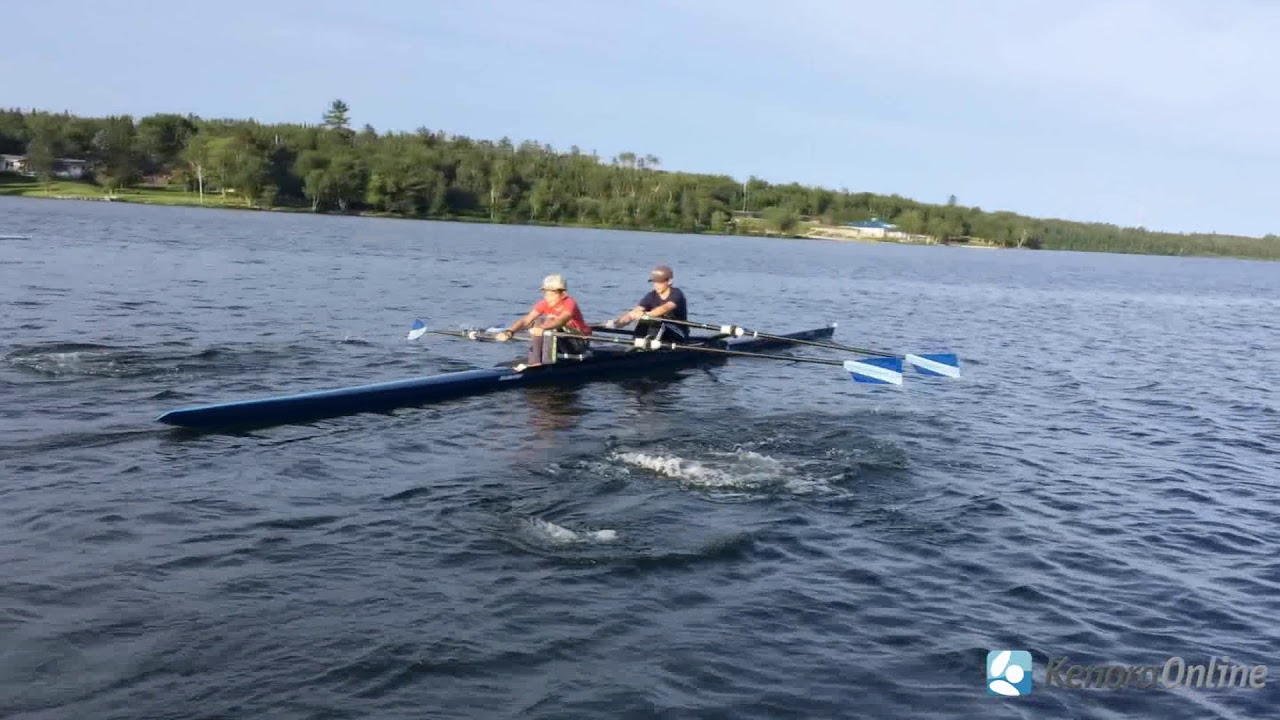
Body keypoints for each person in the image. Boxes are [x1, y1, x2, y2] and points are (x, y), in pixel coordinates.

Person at [494, 274, 592, 366]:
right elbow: (526, 320)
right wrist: (510, 332)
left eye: (552, 294)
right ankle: (535, 361)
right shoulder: (544, 303)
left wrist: (542, 328)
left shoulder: (570, 303)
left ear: (563, 294)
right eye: (546, 293)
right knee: (538, 321)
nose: (548, 298)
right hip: (560, 340)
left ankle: (546, 363)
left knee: (547, 322)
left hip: (578, 343)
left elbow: (561, 321)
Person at [607, 264, 689, 342]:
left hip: (679, 333)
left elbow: (665, 308)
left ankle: (647, 348)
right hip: (661, 332)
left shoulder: (677, 294)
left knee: (655, 321)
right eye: (654, 282)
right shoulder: (651, 296)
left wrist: (645, 315)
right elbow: (635, 312)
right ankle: (637, 346)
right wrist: (618, 323)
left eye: (659, 282)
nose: (656, 285)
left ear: (669, 281)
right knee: (644, 321)